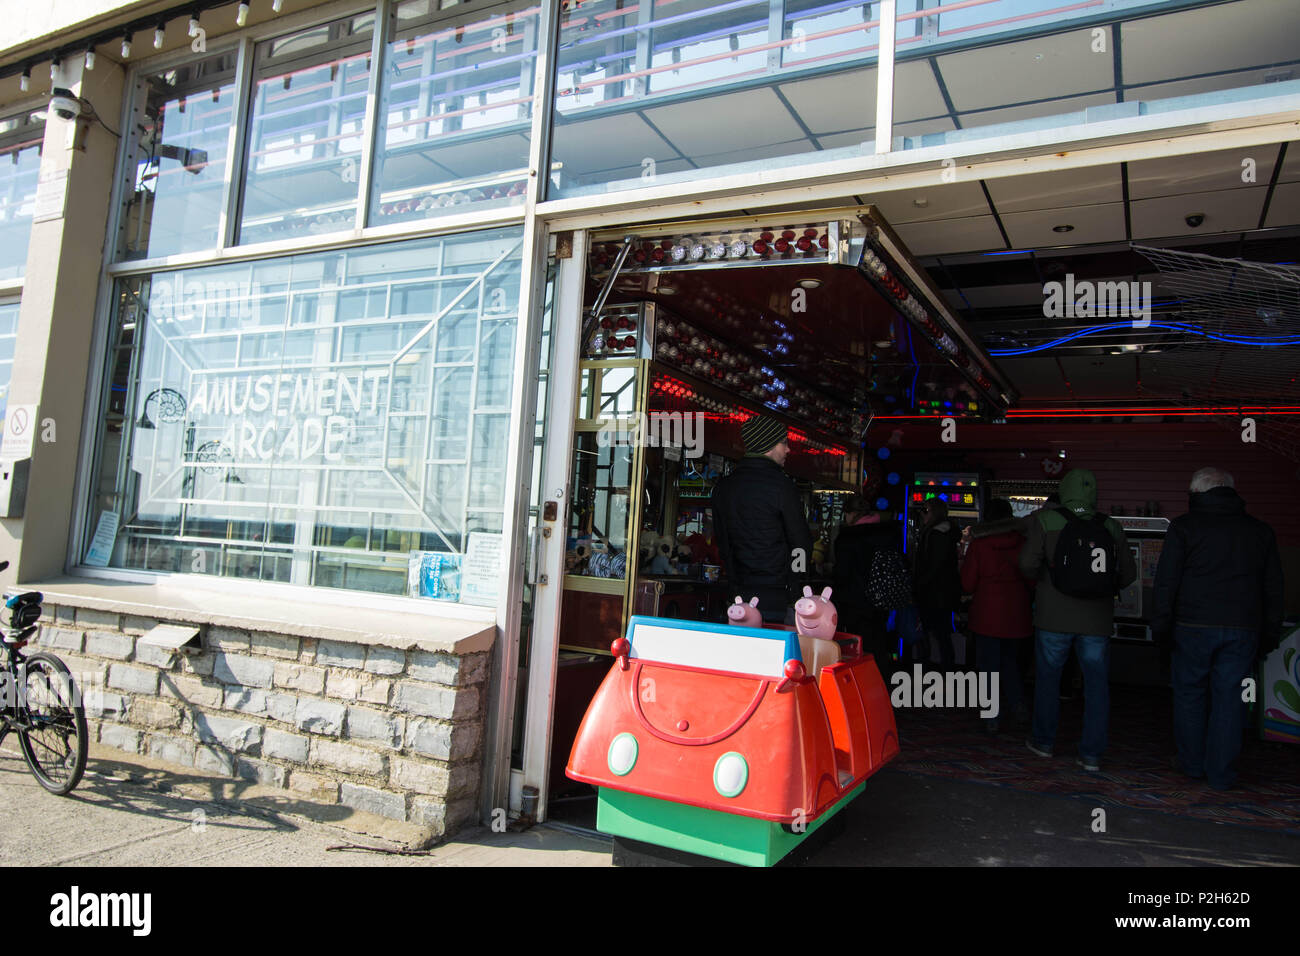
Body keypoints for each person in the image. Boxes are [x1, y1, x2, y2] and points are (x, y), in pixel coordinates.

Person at [1152, 466, 1284, 790]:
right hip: (1243, 628)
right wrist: (1269, 634)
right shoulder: (1261, 531)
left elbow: (1166, 583)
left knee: (1189, 695)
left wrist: (1161, 629)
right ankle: (1221, 773)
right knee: (1230, 700)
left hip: (1191, 625)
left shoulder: (1183, 528)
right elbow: (1273, 588)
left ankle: (1191, 764)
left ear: (1196, 494)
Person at [1020, 468, 1136, 771]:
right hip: (1096, 622)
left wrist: (1049, 583)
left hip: (1053, 618)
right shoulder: (1111, 526)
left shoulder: (1046, 521)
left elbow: (1027, 564)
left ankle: (1043, 742)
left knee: (1048, 680)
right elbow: (1128, 574)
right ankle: (1091, 754)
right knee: (1096, 687)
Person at [711, 416, 813, 623]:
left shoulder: (723, 488)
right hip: (777, 595)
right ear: (767, 444)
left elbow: (723, 544)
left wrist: (733, 584)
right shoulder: (783, 487)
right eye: (784, 442)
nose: (788, 450)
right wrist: (796, 585)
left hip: (739, 595)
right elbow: (800, 544)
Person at [960, 498, 1033, 733]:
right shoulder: (1023, 542)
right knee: (1011, 663)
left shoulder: (980, 545)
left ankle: (992, 715)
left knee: (988, 666)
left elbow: (968, 584)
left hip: (986, 616)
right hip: (1017, 615)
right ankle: (1018, 704)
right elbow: (1033, 579)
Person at [833, 495, 903, 671]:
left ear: (851, 514)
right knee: (878, 641)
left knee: (857, 645)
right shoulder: (887, 533)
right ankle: (881, 680)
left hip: (855, 601)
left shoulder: (848, 538)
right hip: (882, 599)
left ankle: (863, 683)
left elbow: (842, 573)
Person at [912, 498, 962, 671]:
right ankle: (943, 667)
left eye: (925, 511)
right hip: (942, 592)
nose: (922, 514)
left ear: (935, 514)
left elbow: (934, 565)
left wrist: (919, 584)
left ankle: (929, 668)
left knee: (932, 633)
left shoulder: (936, 534)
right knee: (941, 634)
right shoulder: (944, 532)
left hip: (934, 592)